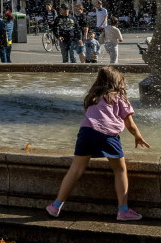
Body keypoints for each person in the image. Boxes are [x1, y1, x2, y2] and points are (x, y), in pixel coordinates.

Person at [47, 67, 150, 222]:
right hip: (107, 135)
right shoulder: (119, 98)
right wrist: (138, 137)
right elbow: (130, 124)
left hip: (86, 132)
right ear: (117, 83)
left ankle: (55, 206)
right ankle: (123, 210)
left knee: (75, 170)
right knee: (120, 170)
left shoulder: (93, 97)